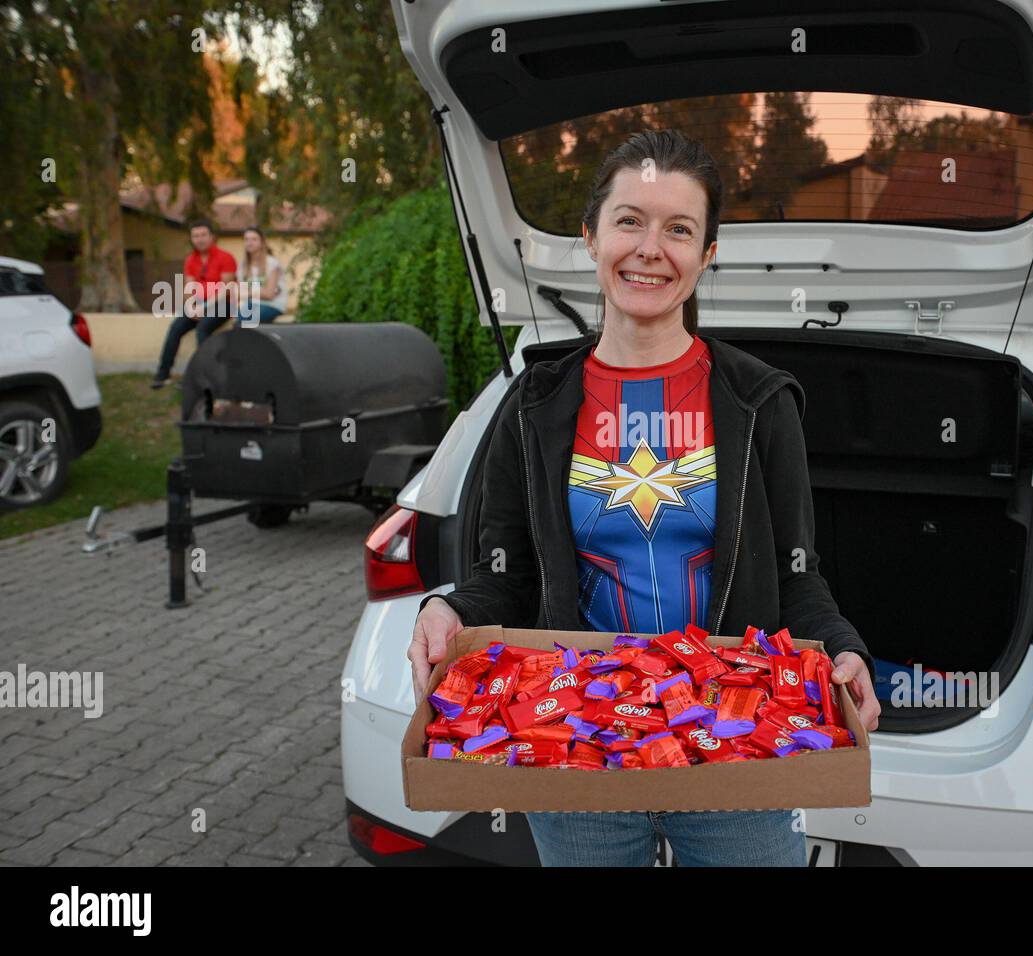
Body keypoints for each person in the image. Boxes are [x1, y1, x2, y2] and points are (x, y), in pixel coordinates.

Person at [407, 129, 881, 867]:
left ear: (707, 254)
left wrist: (843, 648)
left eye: (679, 229)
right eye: (629, 220)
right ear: (591, 236)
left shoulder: (760, 401)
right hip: (579, 748)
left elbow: (796, 574)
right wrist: (449, 609)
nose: (650, 249)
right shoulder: (533, 405)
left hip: (736, 747)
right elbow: (505, 575)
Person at [150, 219, 237, 388]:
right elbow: (189, 288)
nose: (200, 239)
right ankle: (163, 374)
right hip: (199, 304)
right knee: (176, 328)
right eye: (195, 236)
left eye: (203, 235)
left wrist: (204, 307)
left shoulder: (225, 257)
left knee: (202, 328)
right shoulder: (191, 260)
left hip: (223, 304)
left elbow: (226, 289)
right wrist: (191, 306)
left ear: (212, 236)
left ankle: (203, 377)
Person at [235, 226, 289, 328]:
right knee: (240, 320)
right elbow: (239, 294)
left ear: (262, 243)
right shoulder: (242, 266)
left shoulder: (272, 263)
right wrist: (260, 291)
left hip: (273, 305)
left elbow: (269, 295)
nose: (250, 243)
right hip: (251, 305)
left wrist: (249, 292)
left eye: (254, 239)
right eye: (246, 239)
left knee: (246, 320)